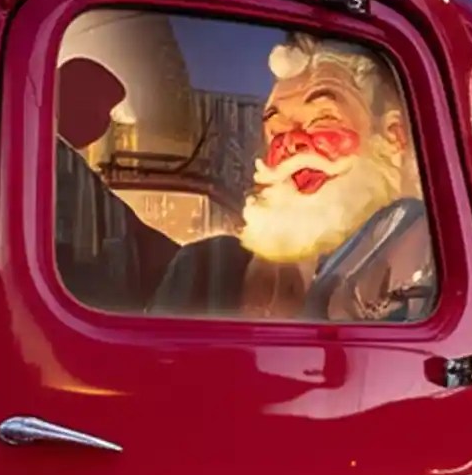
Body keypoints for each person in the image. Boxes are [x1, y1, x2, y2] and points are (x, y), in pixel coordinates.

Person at [150, 33, 433, 321]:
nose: (291, 143)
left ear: (393, 137)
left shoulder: (418, 248)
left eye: (322, 120)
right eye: (277, 130)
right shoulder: (203, 269)